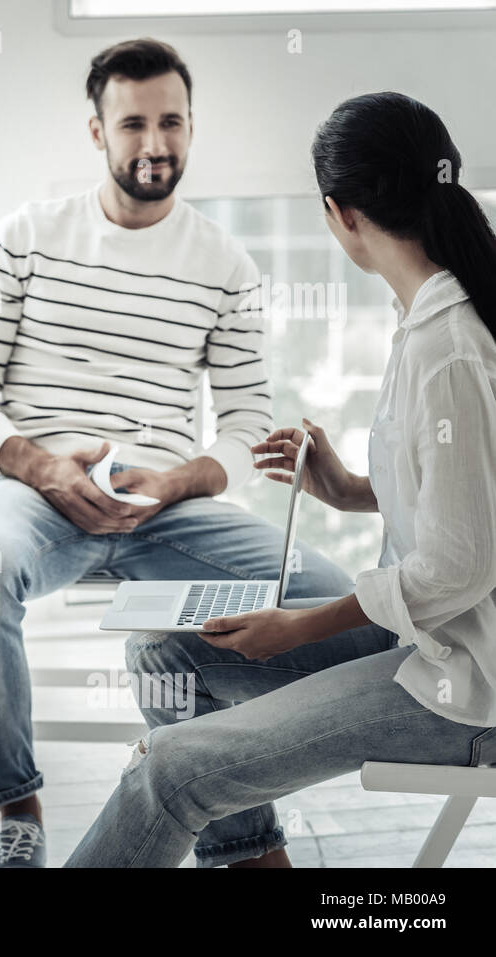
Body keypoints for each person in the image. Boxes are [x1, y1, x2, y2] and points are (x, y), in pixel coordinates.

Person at [0, 37, 352, 867]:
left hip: (171, 505)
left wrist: (176, 480)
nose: (155, 144)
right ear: (97, 132)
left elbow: (242, 425)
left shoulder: (224, 263)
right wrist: (44, 466)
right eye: (133, 124)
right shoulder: (25, 236)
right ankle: (18, 809)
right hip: (38, 494)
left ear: (192, 127)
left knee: (327, 594)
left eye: (172, 122)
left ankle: (231, 822)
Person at [66, 90, 496, 868]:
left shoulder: (450, 345)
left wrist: (300, 626)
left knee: (169, 771)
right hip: (433, 640)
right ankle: (257, 860)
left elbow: (462, 565)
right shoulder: (434, 320)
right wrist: (349, 489)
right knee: (164, 655)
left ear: (341, 214)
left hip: (467, 683)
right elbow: (472, 501)